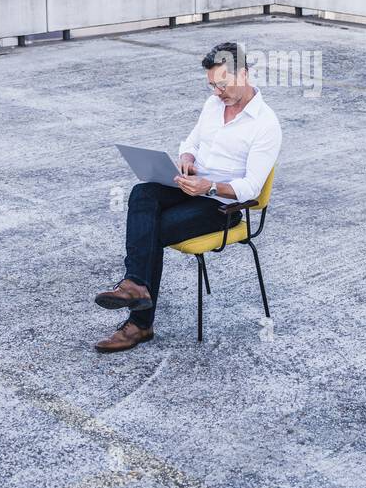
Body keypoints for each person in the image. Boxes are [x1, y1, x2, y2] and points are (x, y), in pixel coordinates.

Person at [93, 41, 282, 353]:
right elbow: (191, 140)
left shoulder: (266, 125)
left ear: (244, 73)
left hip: (223, 206)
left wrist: (208, 186)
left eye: (223, 84)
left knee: (152, 230)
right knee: (142, 193)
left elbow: (250, 188)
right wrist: (187, 158)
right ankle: (136, 287)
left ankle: (139, 321)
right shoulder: (213, 106)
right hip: (190, 185)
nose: (218, 93)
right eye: (212, 86)